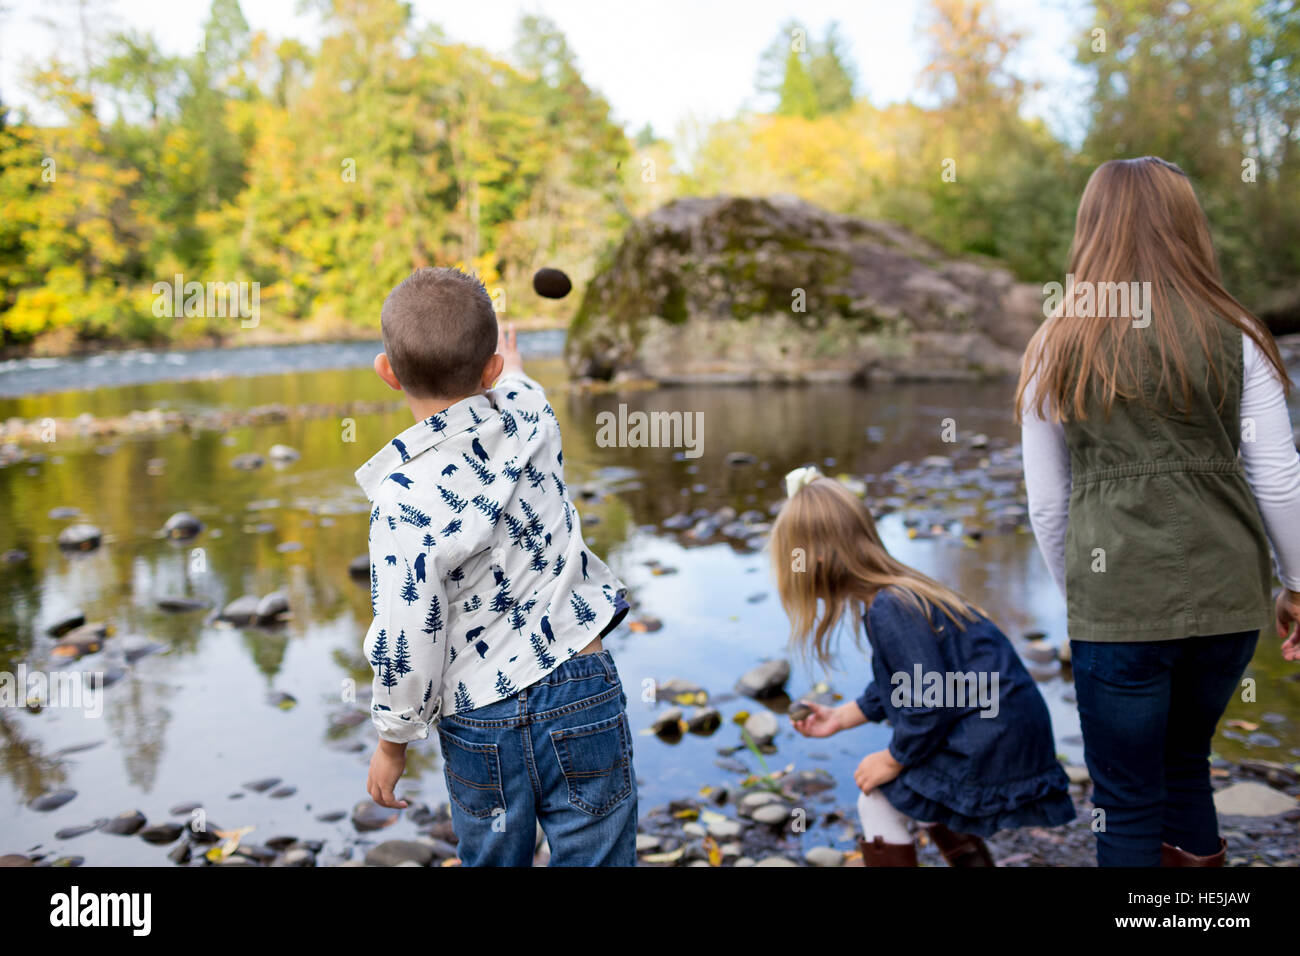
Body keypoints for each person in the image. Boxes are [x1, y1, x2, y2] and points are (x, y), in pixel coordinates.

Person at [1017, 156, 1300, 867]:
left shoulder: (1057, 341)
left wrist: (1084, 596)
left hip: (1118, 607)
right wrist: (1296, 584)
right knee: (1186, 768)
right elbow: (1278, 478)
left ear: (1090, 230)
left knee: (1125, 797)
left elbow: (1049, 504)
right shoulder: (1235, 328)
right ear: (1188, 226)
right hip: (1226, 600)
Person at [358, 267, 635, 866]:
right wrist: (509, 363)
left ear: (387, 371)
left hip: (480, 715)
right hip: (579, 682)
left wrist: (393, 738)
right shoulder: (532, 416)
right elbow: (519, 387)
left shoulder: (403, 497)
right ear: (492, 370)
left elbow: (409, 630)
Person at [773, 466, 1075, 866]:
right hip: (1003, 725)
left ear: (819, 557)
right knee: (927, 793)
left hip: (989, 736)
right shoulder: (899, 593)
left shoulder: (889, 608)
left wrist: (894, 757)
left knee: (877, 800)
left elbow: (928, 703)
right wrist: (844, 716)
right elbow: (908, 681)